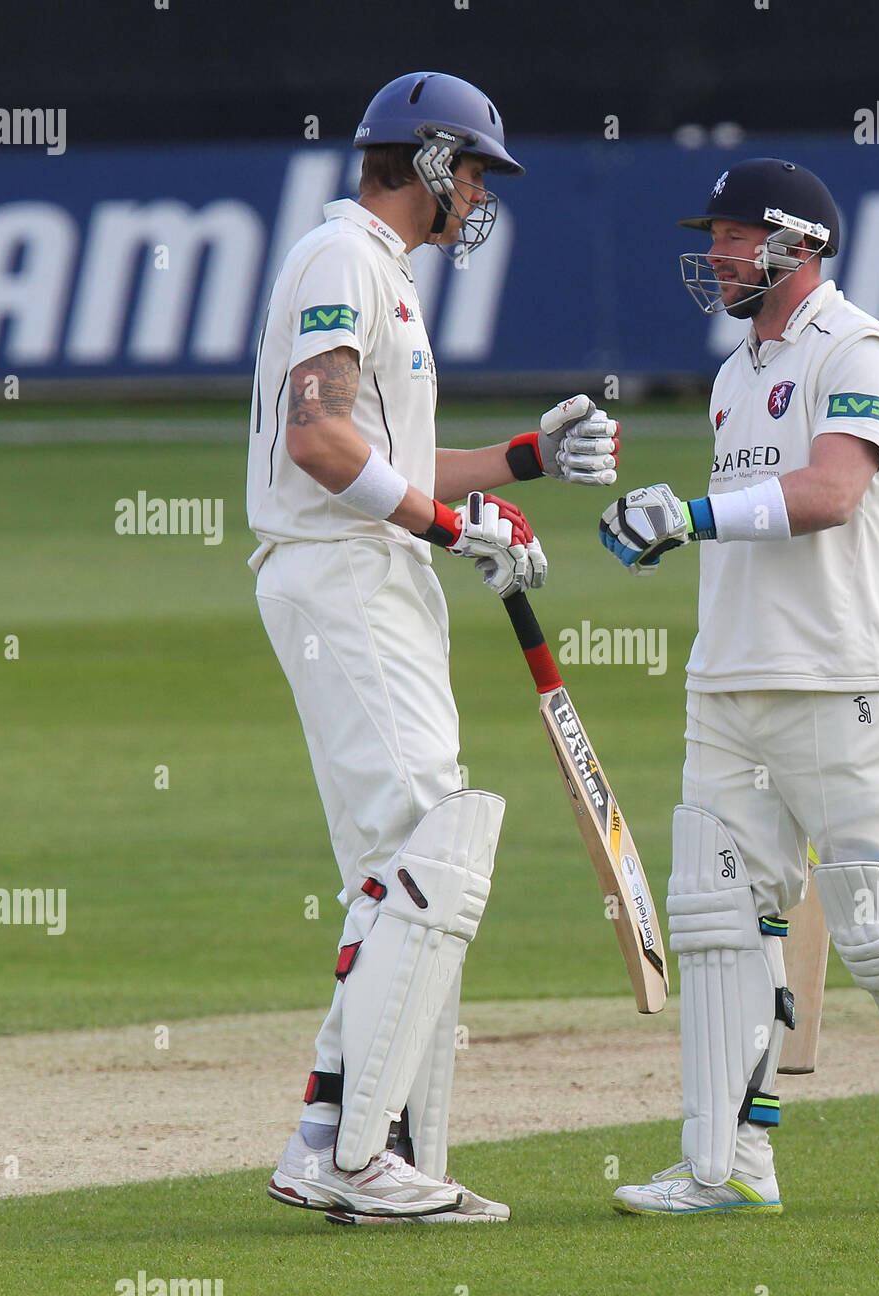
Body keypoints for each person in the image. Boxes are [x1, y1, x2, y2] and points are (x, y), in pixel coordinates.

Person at [599, 158, 879, 1215]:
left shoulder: (860, 349)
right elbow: (759, 515)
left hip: (846, 678)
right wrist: (670, 532)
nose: (714, 255)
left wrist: (694, 515)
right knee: (716, 918)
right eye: (712, 236)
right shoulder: (734, 371)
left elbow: (833, 491)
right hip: (729, 681)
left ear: (799, 243)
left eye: (733, 237)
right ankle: (727, 1164)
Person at [247, 72, 619, 1224]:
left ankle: (328, 1133)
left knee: (395, 873)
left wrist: (518, 465)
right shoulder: (342, 258)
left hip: (375, 576)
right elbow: (317, 438)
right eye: (469, 172)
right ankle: (357, 1160)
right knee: (429, 857)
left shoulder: (379, 273)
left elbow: (384, 453)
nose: (475, 197)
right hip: (345, 577)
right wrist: (450, 531)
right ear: (423, 162)